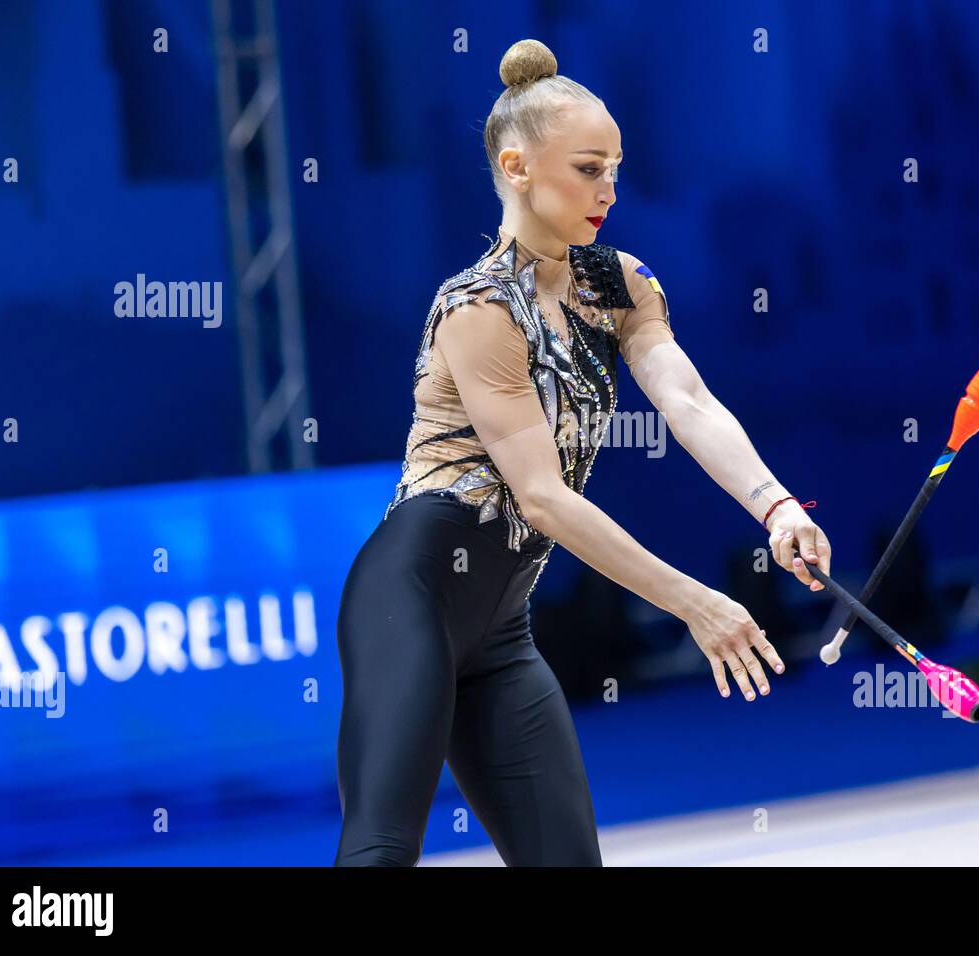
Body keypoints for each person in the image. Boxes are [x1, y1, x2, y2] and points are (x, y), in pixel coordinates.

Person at [333, 38, 833, 867]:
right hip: (410, 597)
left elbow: (688, 399)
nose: (609, 191)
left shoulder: (619, 283)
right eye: (588, 169)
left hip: (500, 634)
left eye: (615, 169)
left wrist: (775, 505)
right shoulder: (476, 308)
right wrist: (695, 603)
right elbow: (543, 500)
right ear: (517, 167)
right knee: (382, 849)